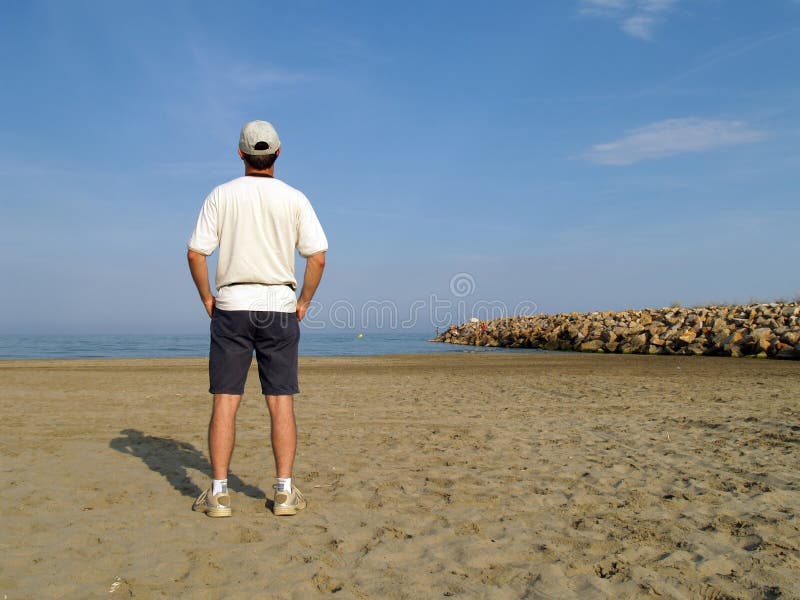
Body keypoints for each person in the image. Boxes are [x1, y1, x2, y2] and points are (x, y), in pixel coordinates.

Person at [186, 120, 328, 517]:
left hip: (231, 305)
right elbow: (316, 257)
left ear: (240, 154)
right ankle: (284, 491)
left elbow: (197, 253)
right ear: (278, 154)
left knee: (225, 401)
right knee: (280, 401)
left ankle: (218, 493)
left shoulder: (221, 195)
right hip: (279, 307)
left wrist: (206, 299)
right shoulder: (294, 198)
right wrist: (303, 302)